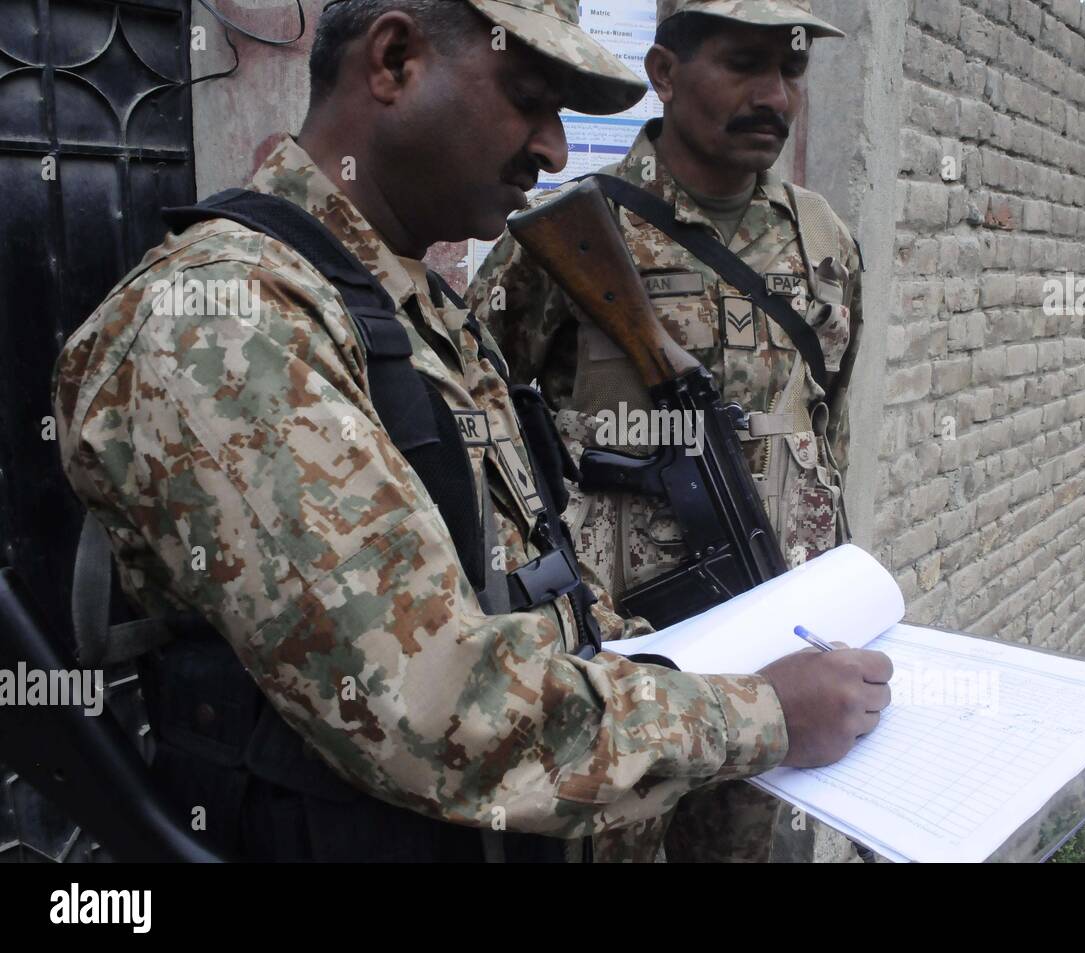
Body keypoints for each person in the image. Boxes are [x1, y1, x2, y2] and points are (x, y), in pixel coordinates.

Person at [52, 0, 889, 862]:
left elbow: (539, 588)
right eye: (529, 100)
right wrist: (763, 713)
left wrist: (681, 670)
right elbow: (437, 707)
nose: (555, 150)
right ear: (394, 59)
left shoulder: (413, 307)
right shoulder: (232, 323)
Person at [467, 0, 864, 862]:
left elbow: (828, 419)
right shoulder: (574, 231)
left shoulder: (825, 238)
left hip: (779, 628)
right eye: (742, 64)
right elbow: (476, 418)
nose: (775, 95)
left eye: (790, 71)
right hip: (627, 657)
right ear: (664, 73)